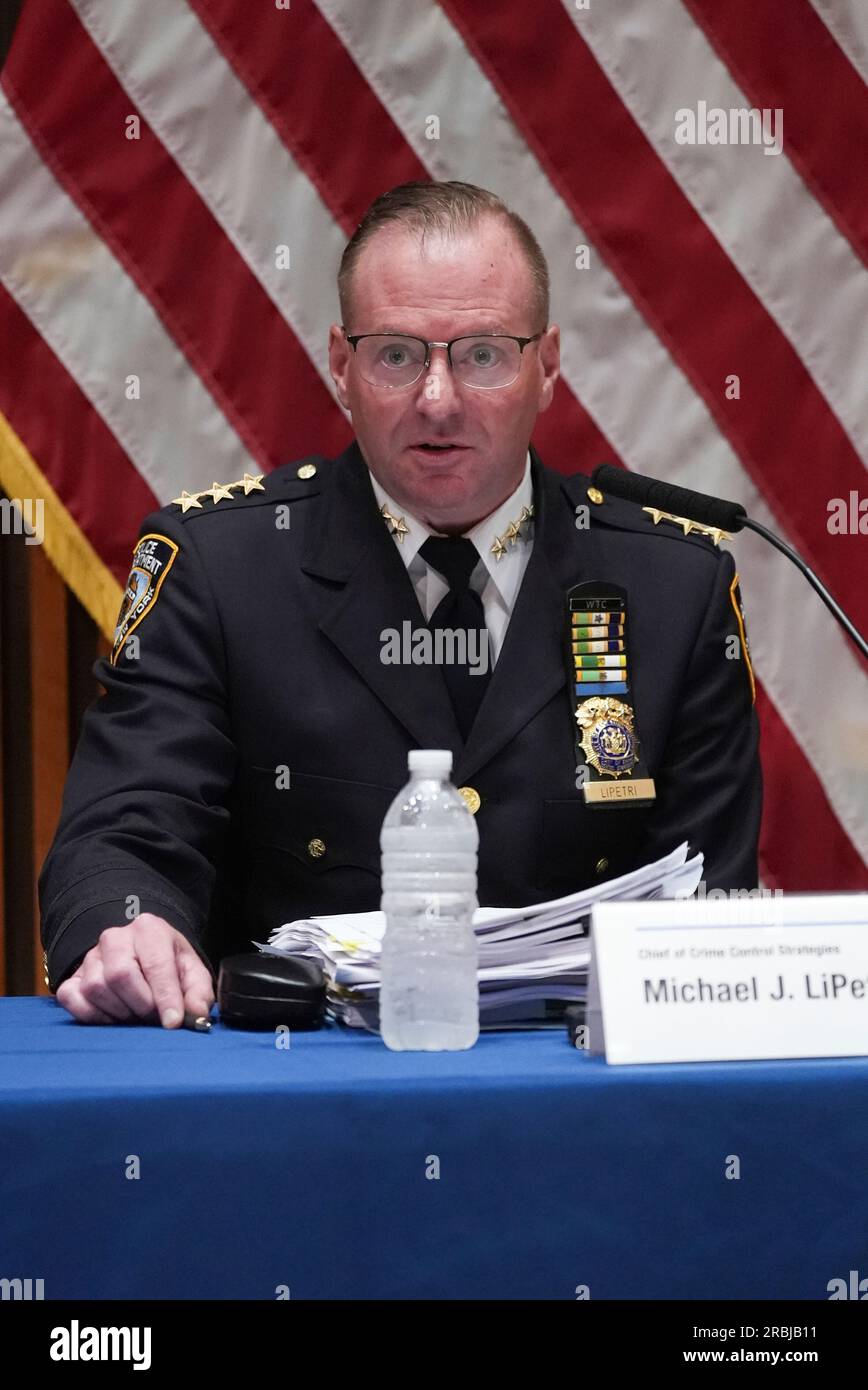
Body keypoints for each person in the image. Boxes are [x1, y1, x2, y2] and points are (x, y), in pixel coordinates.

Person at [39, 180, 762, 1027]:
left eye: (484, 354)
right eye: (397, 355)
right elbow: (126, 824)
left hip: (588, 1095)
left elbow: (711, 905)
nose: (439, 400)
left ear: (549, 367)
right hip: (299, 1094)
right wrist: (134, 927)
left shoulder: (673, 587)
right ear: (342, 367)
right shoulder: (222, 572)